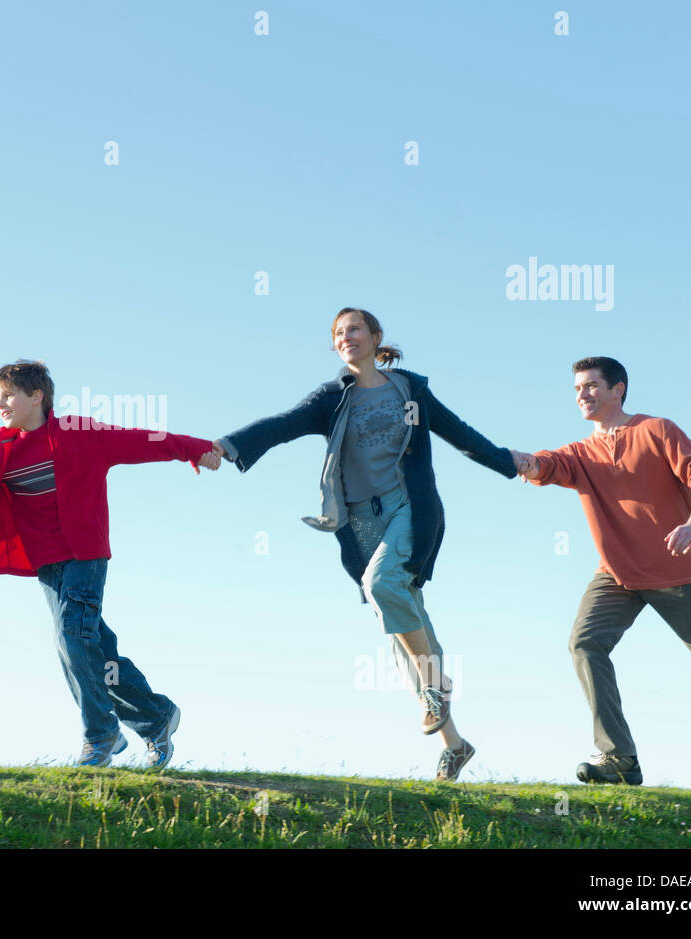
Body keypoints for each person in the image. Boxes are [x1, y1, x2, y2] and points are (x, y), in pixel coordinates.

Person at [213, 309, 524, 781]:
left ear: (376, 336)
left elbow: (457, 431)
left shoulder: (409, 390)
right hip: (359, 520)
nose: (346, 337)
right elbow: (283, 423)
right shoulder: (332, 398)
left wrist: (507, 461)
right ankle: (454, 744)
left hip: (408, 507)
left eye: (354, 328)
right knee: (401, 620)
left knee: (383, 587)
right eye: (339, 333)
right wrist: (228, 445)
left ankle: (437, 684)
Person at [0, 359, 219, 768]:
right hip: (48, 567)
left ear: (37, 396)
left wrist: (195, 449)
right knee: (90, 647)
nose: (0, 404)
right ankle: (156, 717)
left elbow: (143, 440)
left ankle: (102, 734)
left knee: (71, 639)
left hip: (85, 557)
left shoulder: (80, 434)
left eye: (8, 395)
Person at [513, 356, 691, 785]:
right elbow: (547, 465)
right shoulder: (580, 453)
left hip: (674, 568)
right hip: (616, 573)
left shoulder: (656, 430)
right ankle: (618, 760)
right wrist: (525, 462)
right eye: (577, 389)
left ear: (618, 389)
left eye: (591, 385)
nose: (582, 395)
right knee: (585, 643)